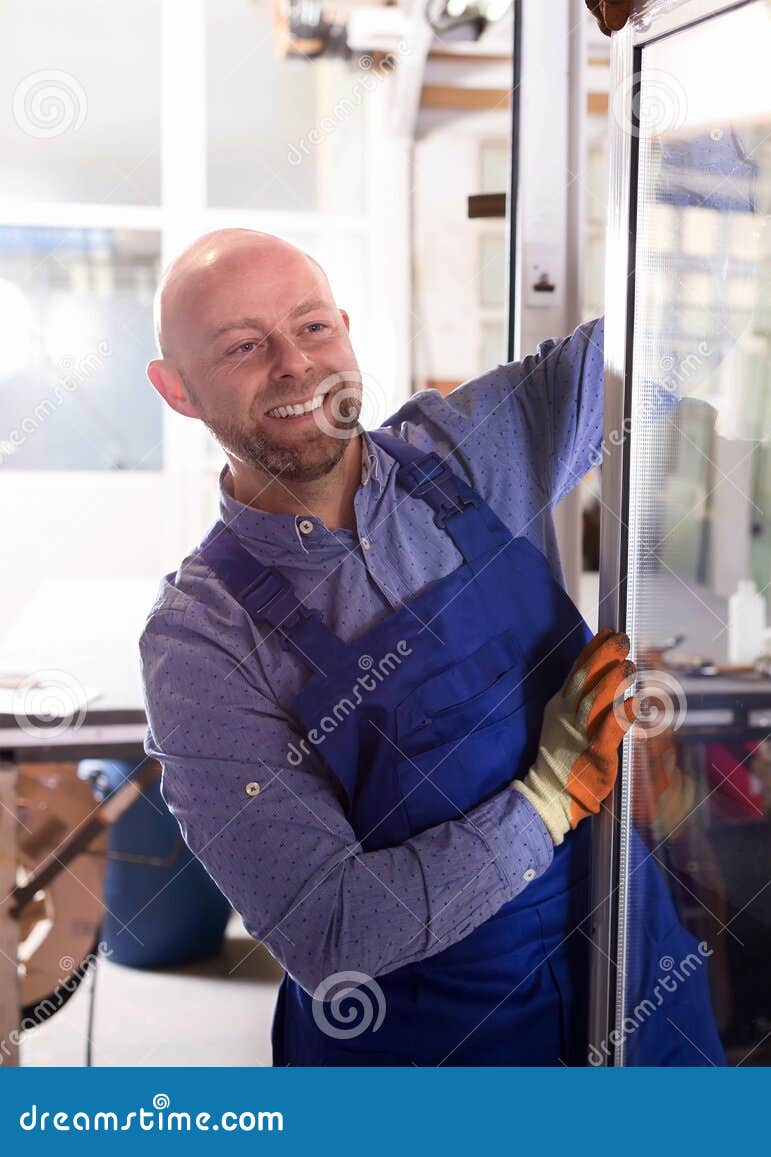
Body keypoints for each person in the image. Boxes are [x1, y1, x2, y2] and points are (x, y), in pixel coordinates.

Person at [138, 223, 721, 1066]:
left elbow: (671, 341)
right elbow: (332, 930)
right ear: (178, 389)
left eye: (312, 327)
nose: (295, 366)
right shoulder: (200, 640)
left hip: (637, 986)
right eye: (242, 346)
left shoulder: (463, 453)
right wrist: (548, 800)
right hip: (430, 1055)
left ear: (343, 327)